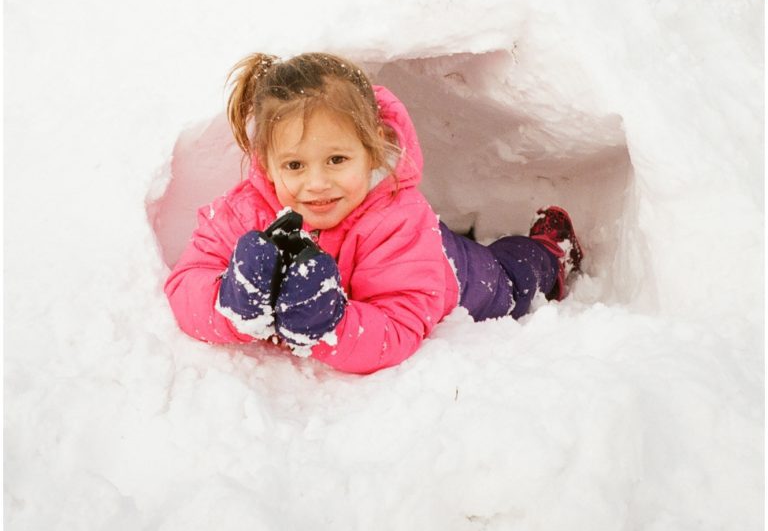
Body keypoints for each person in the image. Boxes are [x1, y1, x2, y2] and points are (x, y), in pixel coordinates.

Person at [165, 52, 584, 376]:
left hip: (452, 273)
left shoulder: (398, 220)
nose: (316, 183)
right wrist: (229, 301)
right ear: (267, 164)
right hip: (415, 254)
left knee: (511, 279)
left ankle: (551, 253)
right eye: (294, 165)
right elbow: (186, 281)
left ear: (372, 150)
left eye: (337, 160)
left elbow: (400, 327)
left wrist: (330, 326)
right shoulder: (245, 211)